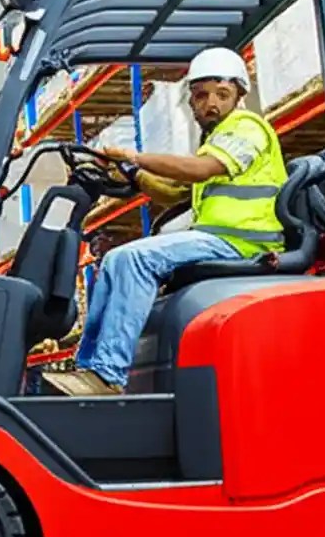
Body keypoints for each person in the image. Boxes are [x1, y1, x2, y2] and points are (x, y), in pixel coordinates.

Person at [46, 47, 288, 396]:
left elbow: (201, 170)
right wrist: (132, 175)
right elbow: (176, 192)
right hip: (219, 238)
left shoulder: (247, 128)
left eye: (222, 94)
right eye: (201, 96)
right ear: (190, 101)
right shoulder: (216, 140)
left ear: (239, 95)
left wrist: (133, 155)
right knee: (114, 259)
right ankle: (88, 370)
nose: (211, 104)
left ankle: (109, 374)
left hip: (245, 241)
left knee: (136, 259)